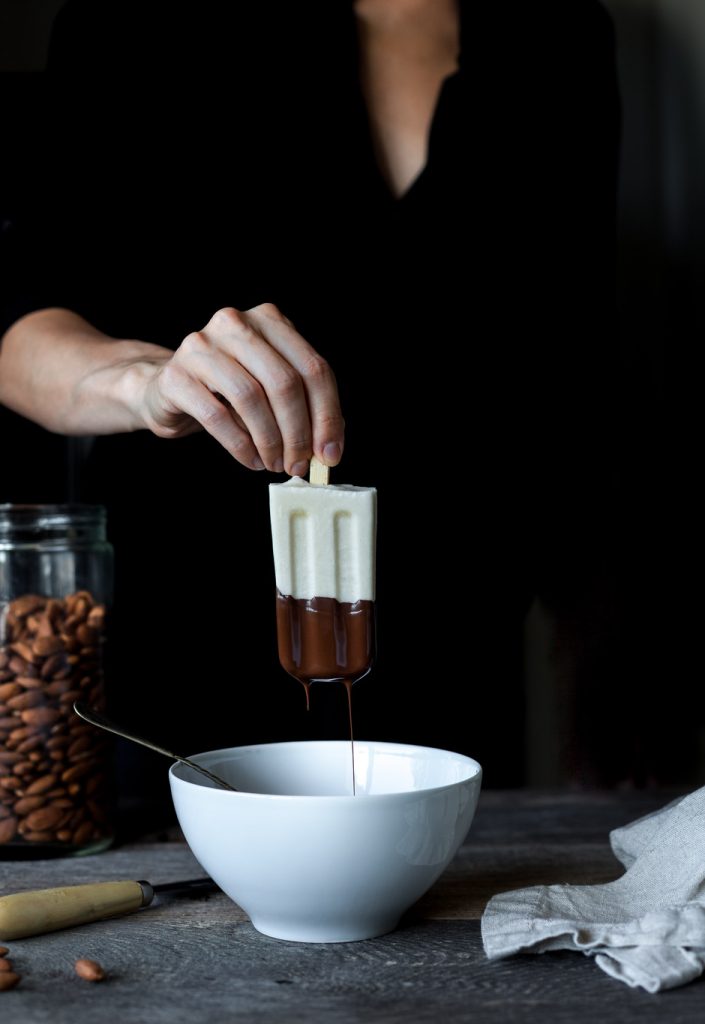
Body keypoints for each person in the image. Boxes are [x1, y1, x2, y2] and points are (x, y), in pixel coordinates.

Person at [0, 0, 619, 797]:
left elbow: (574, 361)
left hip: (461, 642)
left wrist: (605, 635)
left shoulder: (561, 35)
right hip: (187, 644)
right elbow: (17, 329)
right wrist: (146, 380)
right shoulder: (134, 22)